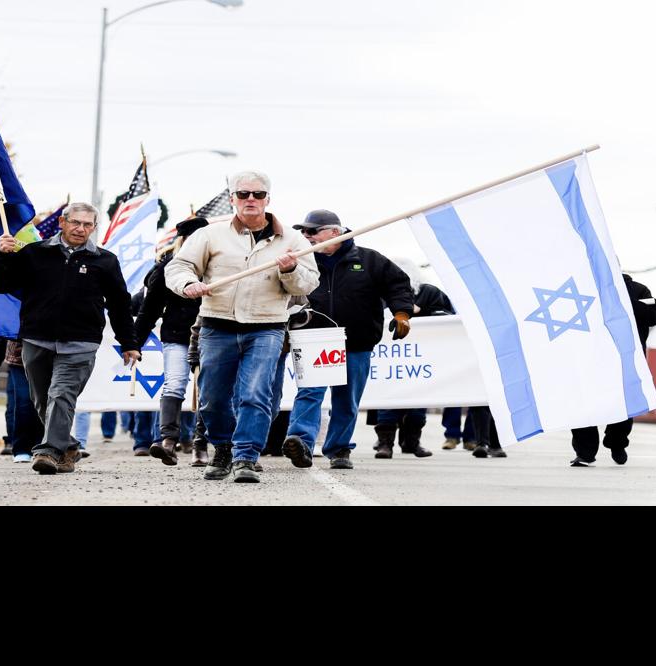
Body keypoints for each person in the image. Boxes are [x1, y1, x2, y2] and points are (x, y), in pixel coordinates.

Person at [166, 171, 318, 484]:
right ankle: (221, 448)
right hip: (217, 325)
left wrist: (290, 270)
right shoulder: (210, 235)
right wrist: (188, 283)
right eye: (244, 194)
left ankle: (246, 456)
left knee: (255, 394)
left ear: (268, 199)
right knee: (213, 397)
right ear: (233, 198)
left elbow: (308, 283)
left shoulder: (292, 240)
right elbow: (178, 266)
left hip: (267, 327)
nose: (251, 200)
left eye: (258, 195)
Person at [0, 202, 137, 476]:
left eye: (87, 225)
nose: (81, 229)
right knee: (41, 399)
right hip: (36, 339)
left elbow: (120, 304)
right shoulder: (35, 253)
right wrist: (4, 256)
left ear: (94, 228)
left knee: (61, 395)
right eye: (75, 223)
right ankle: (69, 446)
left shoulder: (105, 261)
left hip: (81, 343)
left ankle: (48, 451)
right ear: (62, 222)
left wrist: (129, 343)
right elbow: (2, 284)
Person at [279, 209, 413, 471]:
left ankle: (339, 448)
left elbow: (398, 284)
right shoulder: (301, 261)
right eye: (303, 232)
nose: (306, 236)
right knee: (309, 393)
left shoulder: (369, 259)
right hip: (314, 338)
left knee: (346, 398)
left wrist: (402, 313)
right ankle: (301, 443)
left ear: (335, 232)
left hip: (357, 339)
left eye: (312, 231)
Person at [132, 217, 208, 466]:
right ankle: (167, 441)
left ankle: (201, 444)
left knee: (209, 391)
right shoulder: (166, 268)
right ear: (183, 241)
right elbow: (149, 309)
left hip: (213, 335)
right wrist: (134, 343)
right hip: (177, 335)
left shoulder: (220, 267)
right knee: (174, 384)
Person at [570, 274, 656, 466]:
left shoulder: (639, 290)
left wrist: (621, 299)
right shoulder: (585, 288)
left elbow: (653, 316)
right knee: (583, 405)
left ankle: (617, 443)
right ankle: (585, 453)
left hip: (626, 359)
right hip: (591, 359)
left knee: (624, 405)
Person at [374, 276, 455, 458]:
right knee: (387, 401)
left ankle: (412, 442)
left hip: (421, 357)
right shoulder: (381, 293)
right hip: (390, 357)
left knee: (419, 401)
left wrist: (422, 311)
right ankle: (385, 444)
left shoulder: (430, 292)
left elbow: (447, 317)